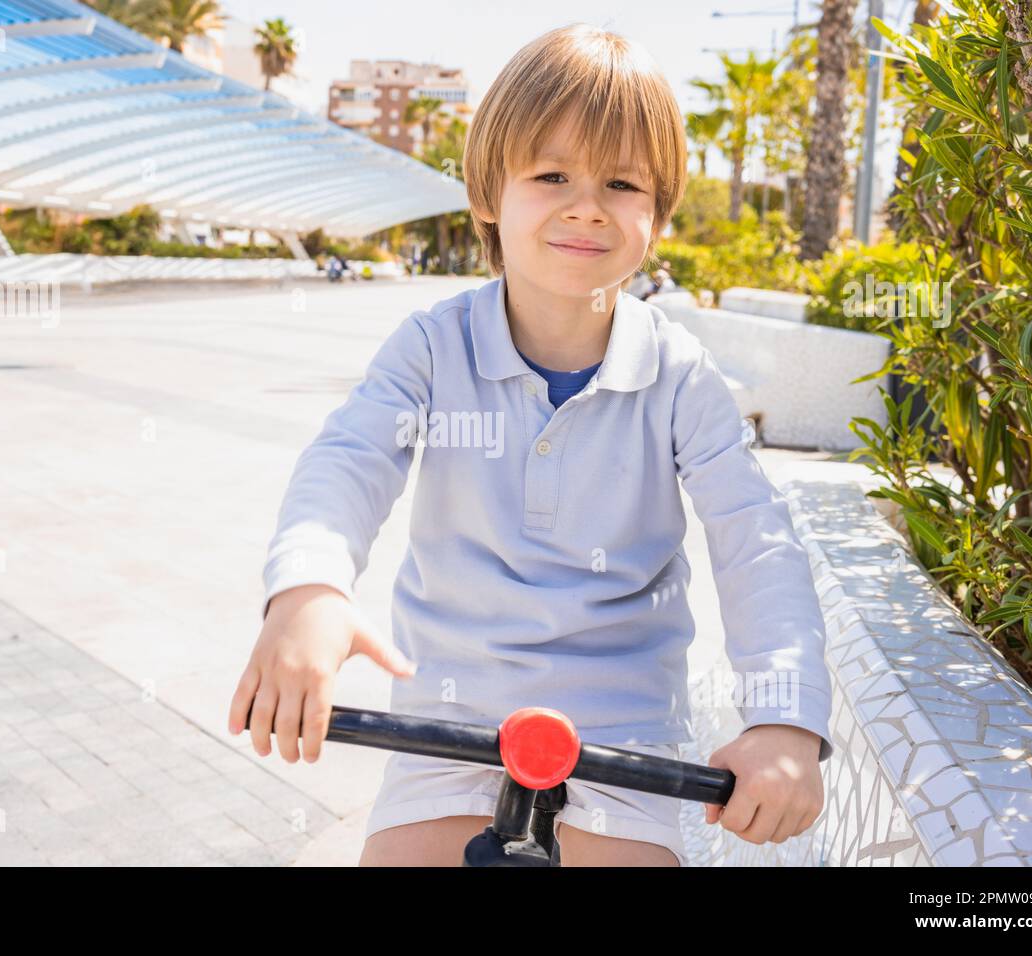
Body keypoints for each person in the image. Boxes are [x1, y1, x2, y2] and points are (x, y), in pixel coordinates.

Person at [228, 22, 833, 867]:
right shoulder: (431, 347)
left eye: (622, 183)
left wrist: (784, 718)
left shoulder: (680, 373)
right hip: (448, 719)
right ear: (488, 195)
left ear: (657, 212)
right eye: (552, 175)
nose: (587, 205)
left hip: (625, 734)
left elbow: (755, 538)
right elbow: (348, 461)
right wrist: (309, 591)